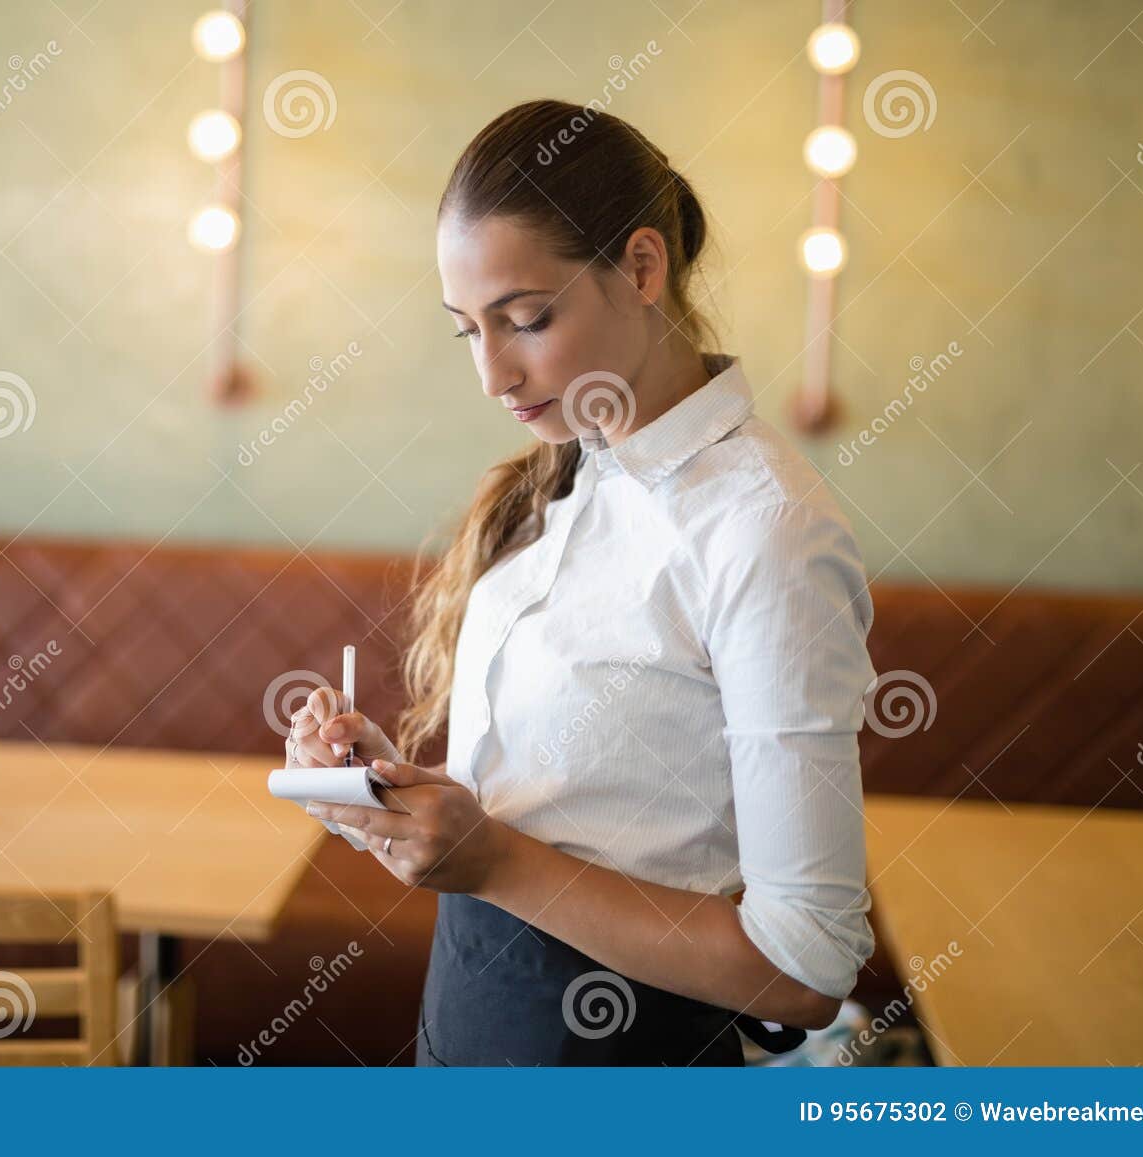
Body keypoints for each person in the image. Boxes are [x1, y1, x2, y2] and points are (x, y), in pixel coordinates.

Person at [286, 99, 877, 1067]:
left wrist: (492, 857)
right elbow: (567, 809)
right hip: (470, 1031)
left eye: (525, 319)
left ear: (642, 269)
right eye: (465, 331)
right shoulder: (571, 479)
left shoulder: (763, 531)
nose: (491, 375)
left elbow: (806, 967)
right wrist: (394, 794)